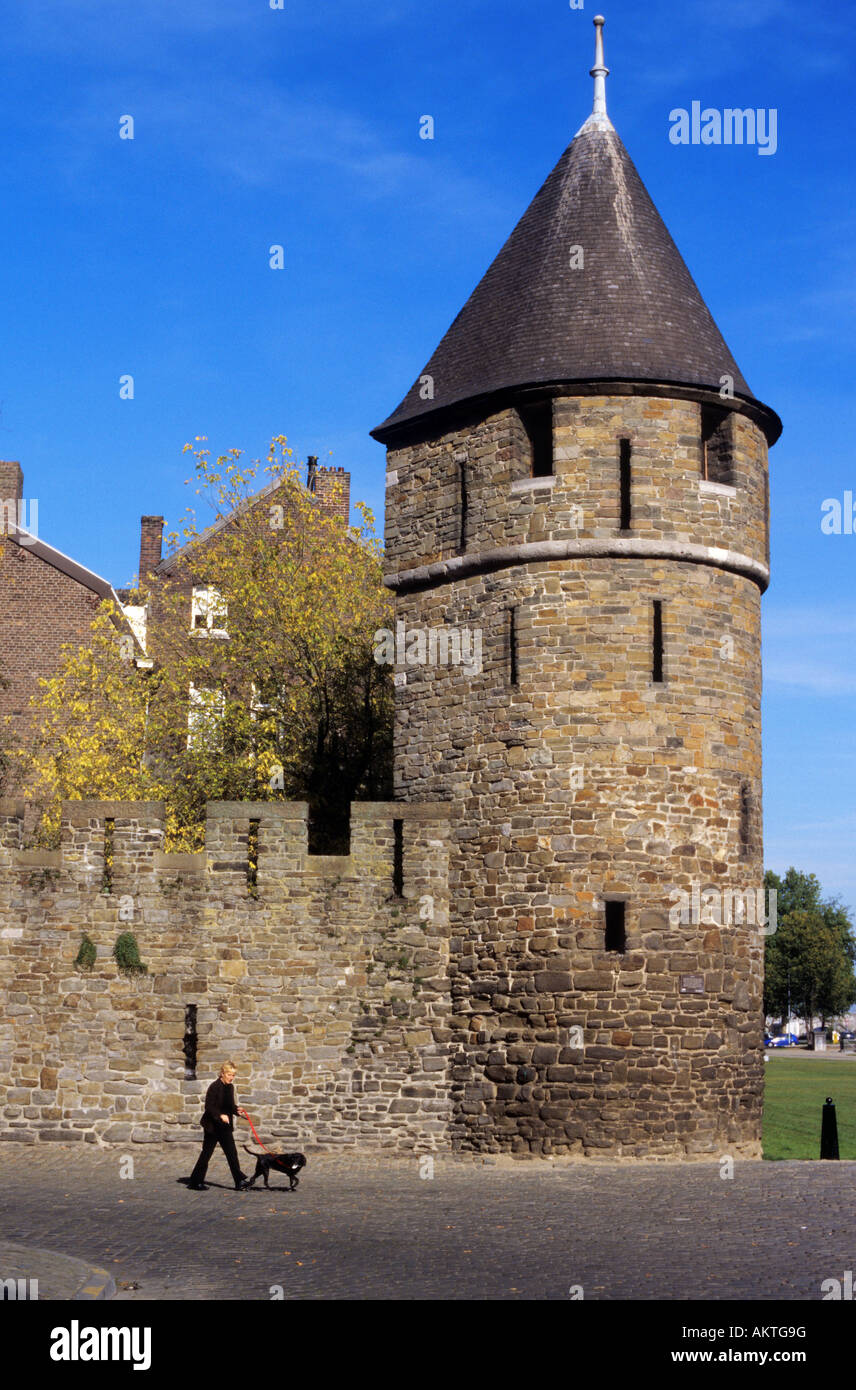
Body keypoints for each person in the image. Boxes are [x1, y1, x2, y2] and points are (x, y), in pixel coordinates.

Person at [186, 1061, 250, 1191]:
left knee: (232, 1153)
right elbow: (209, 1107)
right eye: (229, 1074)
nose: (231, 1077)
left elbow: (229, 1106)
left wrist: (237, 1110)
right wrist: (220, 1115)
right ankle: (195, 1181)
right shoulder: (214, 1086)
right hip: (212, 1126)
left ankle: (239, 1181)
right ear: (222, 1073)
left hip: (224, 1126)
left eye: (233, 1075)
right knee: (206, 1154)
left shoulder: (230, 1087)